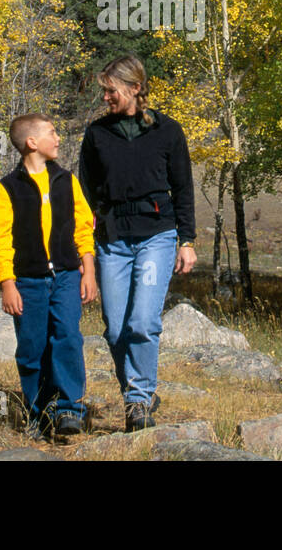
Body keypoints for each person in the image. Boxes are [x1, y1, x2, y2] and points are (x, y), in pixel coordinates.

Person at [78, 55, 196, 431]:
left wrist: (187, 239)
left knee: (143, 322)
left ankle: (138, 400)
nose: (107, 97)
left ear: (135, 88)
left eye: (112, 91)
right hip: (112, 239)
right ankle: (137, 390)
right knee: (115, 328)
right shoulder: (97, 134)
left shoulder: (168, 131)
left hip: (156, 237)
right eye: (105, 91)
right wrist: (85, 240)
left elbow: (183, 188)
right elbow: (86, 189)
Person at [0, 114, 97, 439]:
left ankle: (69, 408)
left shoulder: (67, 181)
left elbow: (84, 226)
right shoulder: (7, 189)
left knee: (67, 337)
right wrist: (7, 283)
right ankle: (39, 410)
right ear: (32, 143)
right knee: (32, 346)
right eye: (52, 132)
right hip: (27, 282)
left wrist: (88, 270)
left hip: (65, 276)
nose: (58, 137)